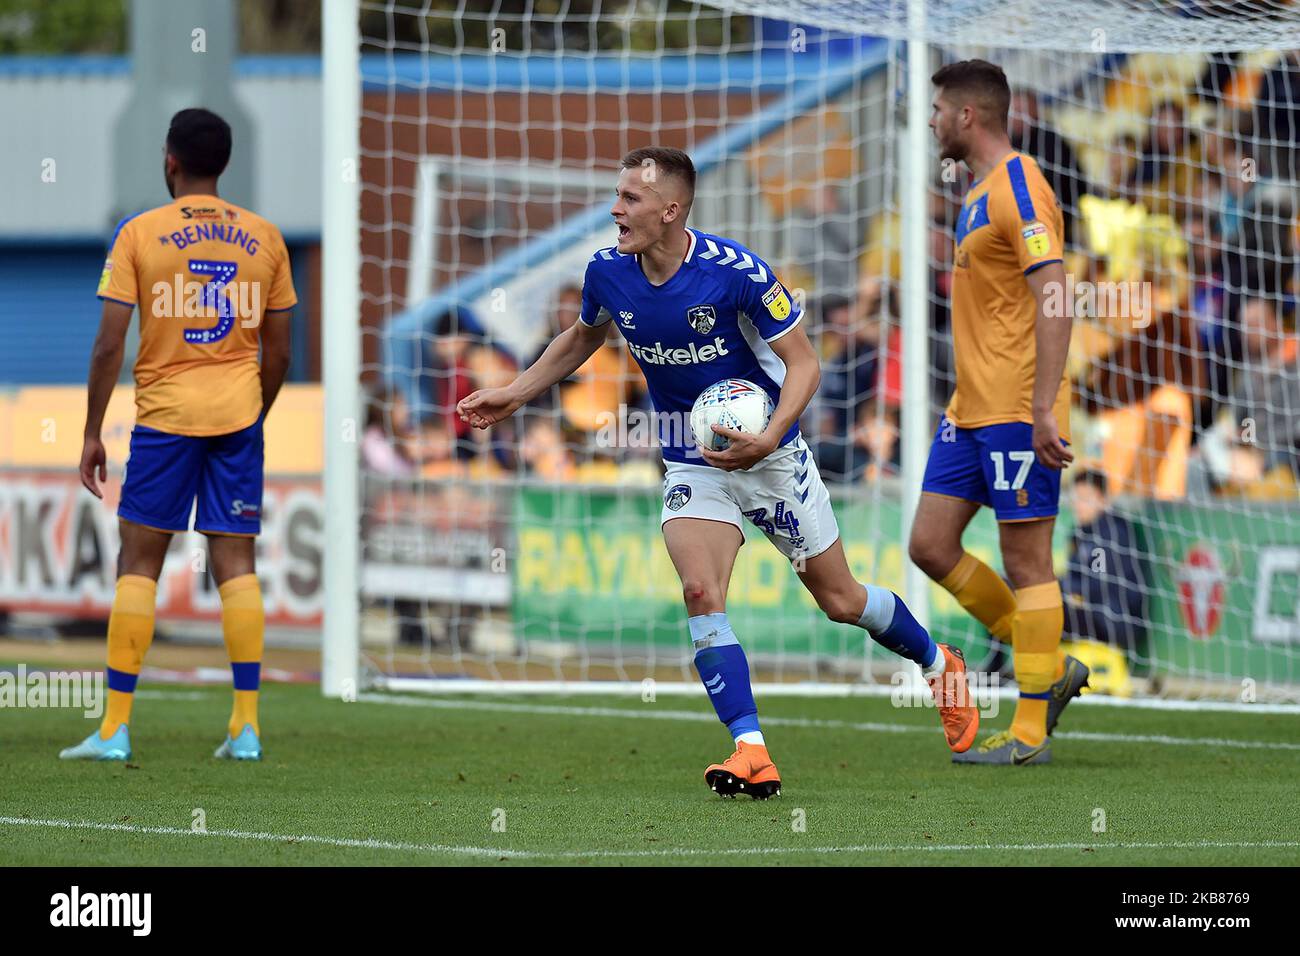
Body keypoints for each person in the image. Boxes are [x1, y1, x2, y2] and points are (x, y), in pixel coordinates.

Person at [459, 146, 978, 798]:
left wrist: (766, 437)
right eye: (617, 195)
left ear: (670, 210)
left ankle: (939, 663)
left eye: (630, 200)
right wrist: (516, 390)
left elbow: (807, 365)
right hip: (689, 455)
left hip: (772, 453)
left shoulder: (737, 274)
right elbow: (585, 336)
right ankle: (751, 750)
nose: (615, 210)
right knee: (701, 592)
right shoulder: (606, 272)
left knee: (841, 600)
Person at [65, 108, 296, 762]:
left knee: (139, 562)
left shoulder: (140, 233)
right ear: (223, 164)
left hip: (165, 419)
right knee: (236, 562)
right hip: (237, 417)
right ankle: (246, 727)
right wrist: (255, 408)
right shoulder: (266, 238)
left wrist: (90, 432)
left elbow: (110, 343)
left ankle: (113, 730)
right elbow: (278, 352)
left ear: (170, 160)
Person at [907, 60, 1087, 766]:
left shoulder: (1021, 188)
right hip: (970, 407)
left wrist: (1044, 405)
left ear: (967, 117)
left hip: (1017, 405)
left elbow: (1055, 294)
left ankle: (1030, 732)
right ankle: (1051, 663)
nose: (931, 122)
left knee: (1026, 561)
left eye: (938, 110)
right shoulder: (976, 193)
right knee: (929, 544)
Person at [1060, 470, 1147, 652]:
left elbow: (1098, 584)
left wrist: (1059, 586)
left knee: (1043, 611)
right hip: (1091, 613)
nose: (1077, 504)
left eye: (1085, 498)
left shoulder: (1111, 533)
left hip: (1112, 620)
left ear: (1103, 500)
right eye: (1075, 498)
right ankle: (998, 671)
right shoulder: (1079, 533)